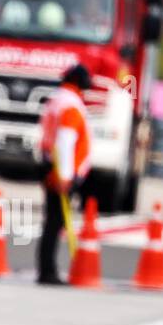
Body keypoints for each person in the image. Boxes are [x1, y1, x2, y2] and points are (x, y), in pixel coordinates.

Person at [36, 64, 93, 285]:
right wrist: (66, 176)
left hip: (51, 165)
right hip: (61, 170)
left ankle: (47, 269)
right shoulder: (70, 105)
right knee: (55, 222)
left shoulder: (56, 100)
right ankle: (47, 271)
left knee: (52, 221)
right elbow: (66, 142)